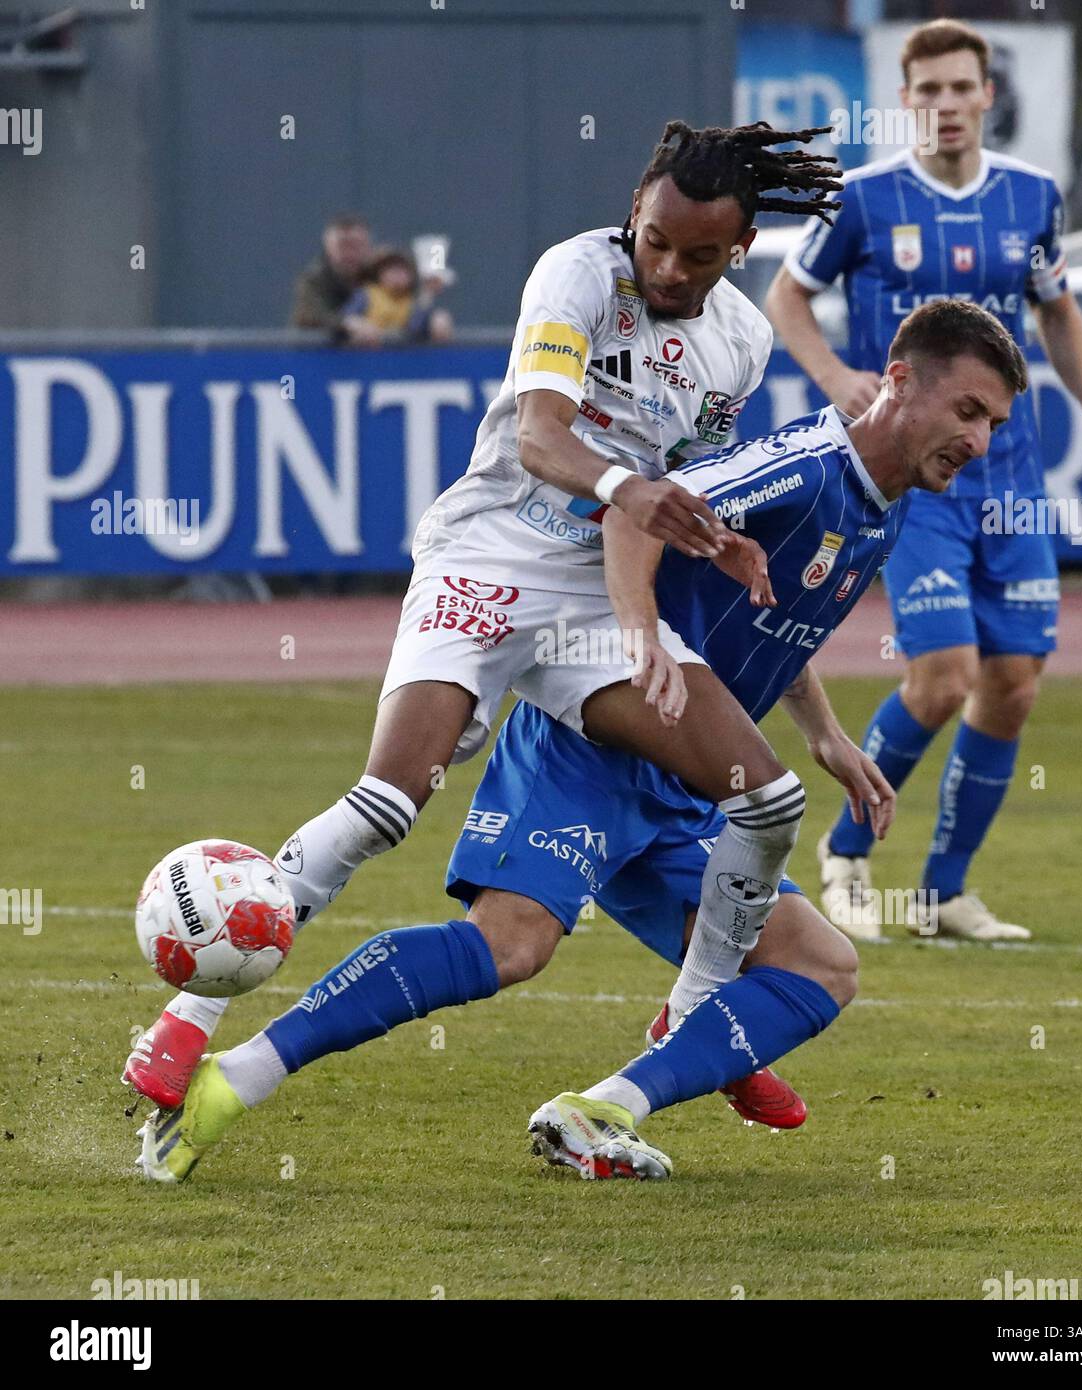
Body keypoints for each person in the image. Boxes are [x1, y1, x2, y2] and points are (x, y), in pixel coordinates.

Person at [135, 299, 1027, 1184]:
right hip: (593, 743)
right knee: (509, 947)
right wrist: (638, 637)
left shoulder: (886, 502)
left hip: (691, 785)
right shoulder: (802, 467)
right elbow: (636, 516)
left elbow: (767, 626)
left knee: (821, 967)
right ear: (901, 381)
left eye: (992, 422)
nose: (979, 440)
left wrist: (825, 732)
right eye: (967, 411)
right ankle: (231, 1080)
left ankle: (601, 1109)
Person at [124, 120, 845, 1122]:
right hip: (489, 559)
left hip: (596, 597)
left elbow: (689, 479)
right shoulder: (576, 276)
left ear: (740, 252)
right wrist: (629, 491)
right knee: (390, 799)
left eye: (697, 256)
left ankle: (696, 1024)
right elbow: (544, 437)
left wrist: (705, 540)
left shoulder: (741, 343)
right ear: (633, 212)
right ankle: (187, 1019)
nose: (666, 268)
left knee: (760, 794)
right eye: (653, 240)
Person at [766, 18, 1082, 943]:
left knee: (1011, 681)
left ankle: (942, 892)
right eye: (925, 91)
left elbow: (1058, 314)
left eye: (959, 88)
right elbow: (785, 296)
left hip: (1008, 479)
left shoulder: (1032, 197)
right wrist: (833, 378)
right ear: (904, 103)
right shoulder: (863, 199)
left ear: (985, 95)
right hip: (909, 479)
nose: (944, 106)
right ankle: (845, 857)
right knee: (941, 676)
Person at [288, 213, 382, 347]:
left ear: (368, 245)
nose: (350, 252)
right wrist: (347, 323)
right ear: (328, 246)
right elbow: (312, 313)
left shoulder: (380, 276)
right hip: (319, 359)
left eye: (357, 245)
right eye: (343, 245)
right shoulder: (314, 279)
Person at [341, 246, 454, 345]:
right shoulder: (367, 293)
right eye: (391, 269)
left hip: (402, 358)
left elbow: (414, 329)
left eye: (403, 270)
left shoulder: (414, 300)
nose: (397, 274)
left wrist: (430, 300)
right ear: (380, 273)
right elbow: (346, 319)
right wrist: (359, 325)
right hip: (369, 353)